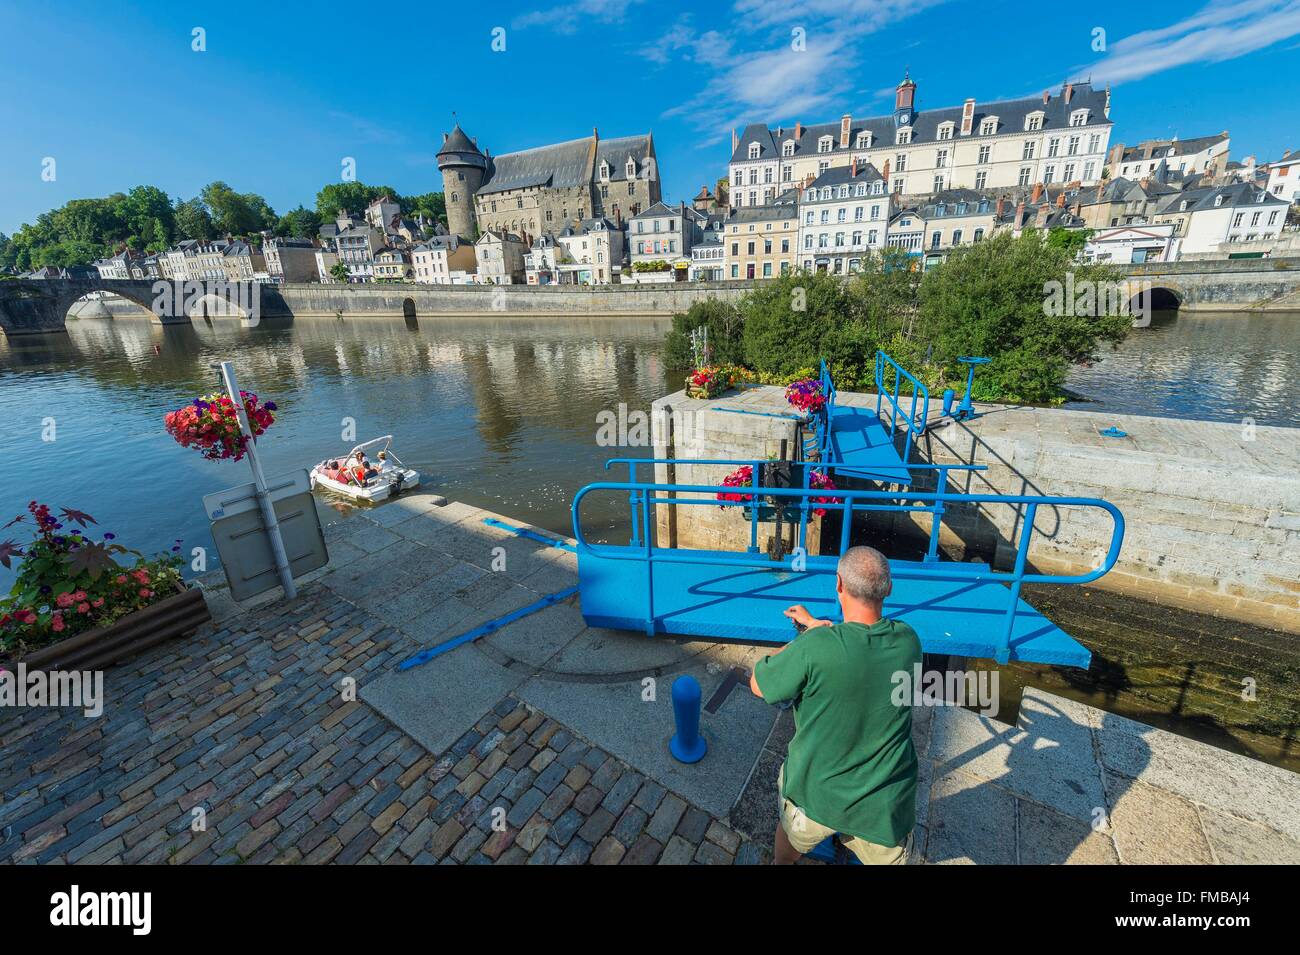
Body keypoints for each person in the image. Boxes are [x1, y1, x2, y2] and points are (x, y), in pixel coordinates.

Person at [749, 545, 921, 865]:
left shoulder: (816, 646)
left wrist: (810, 633)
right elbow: (861, 658)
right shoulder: (909, 641)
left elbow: (759, 685)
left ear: (839, 584)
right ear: (889, 588)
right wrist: (820, 631)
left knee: (789, 841)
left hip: (817, 794)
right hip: (884, 806)